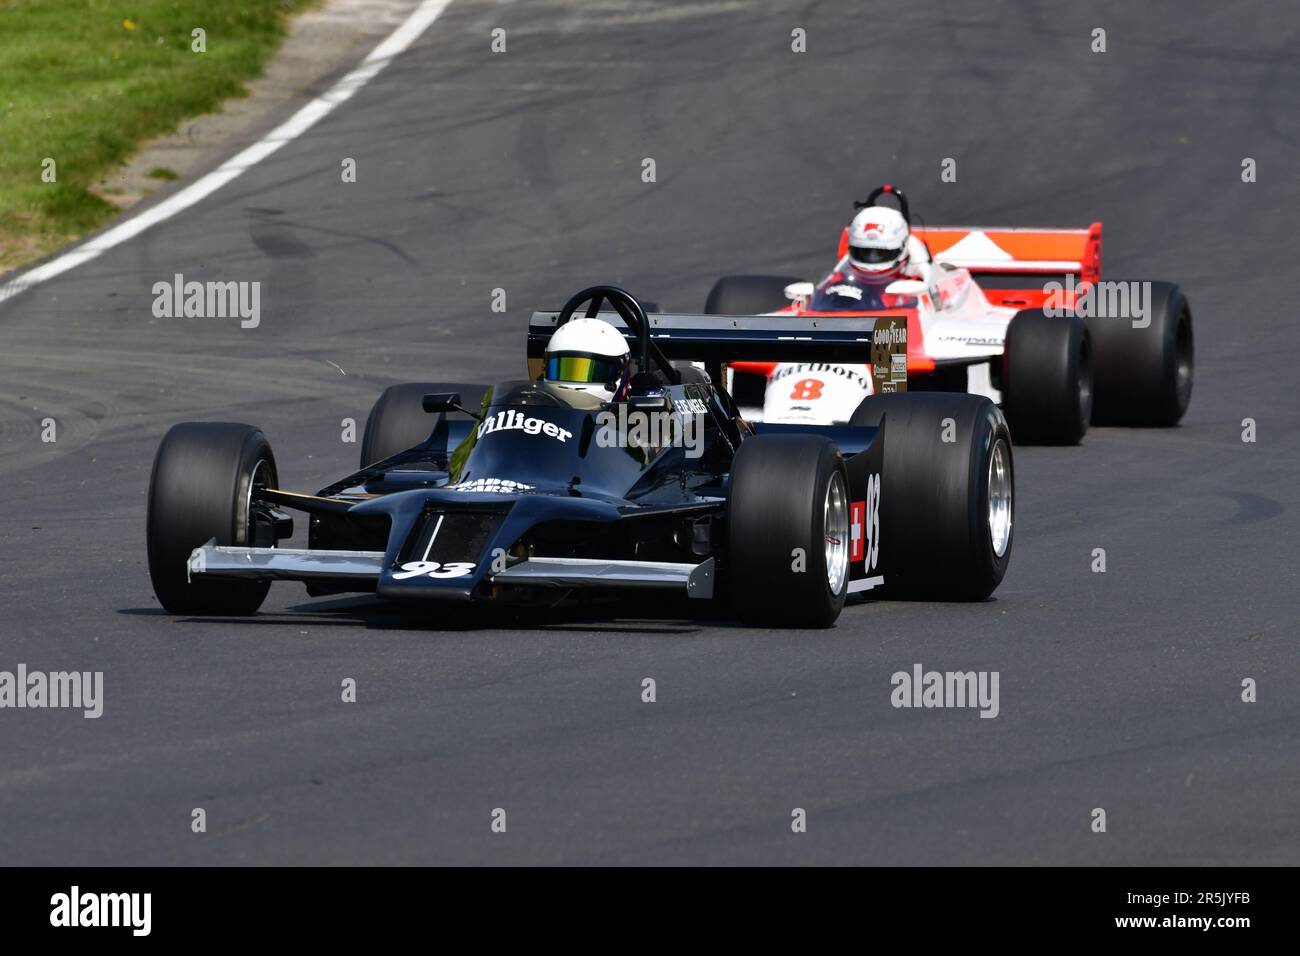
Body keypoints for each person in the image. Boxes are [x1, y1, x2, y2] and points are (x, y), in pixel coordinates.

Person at [542, 317, 632, 401]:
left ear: (621, 372)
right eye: (565, 370)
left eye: (595, 371)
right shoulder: (539, 407)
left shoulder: (628, 411)